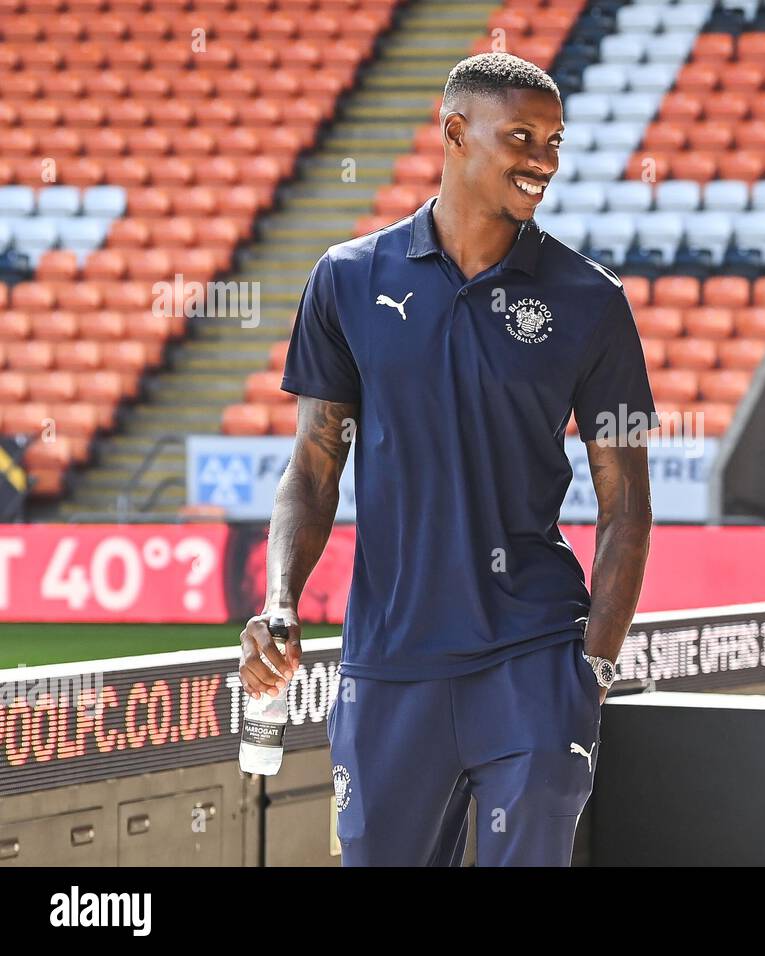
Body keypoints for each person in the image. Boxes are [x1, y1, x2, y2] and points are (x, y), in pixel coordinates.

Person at [238, 52, 656, 866]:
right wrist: (281, 598)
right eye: (524, 137)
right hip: (389, 665)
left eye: (556, 142)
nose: (545, 160)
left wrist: (593, 666)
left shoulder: (590, 299)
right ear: (456, 132)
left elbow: (625, 503)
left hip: (534, 658)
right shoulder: (347, 280)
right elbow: (314, 465)